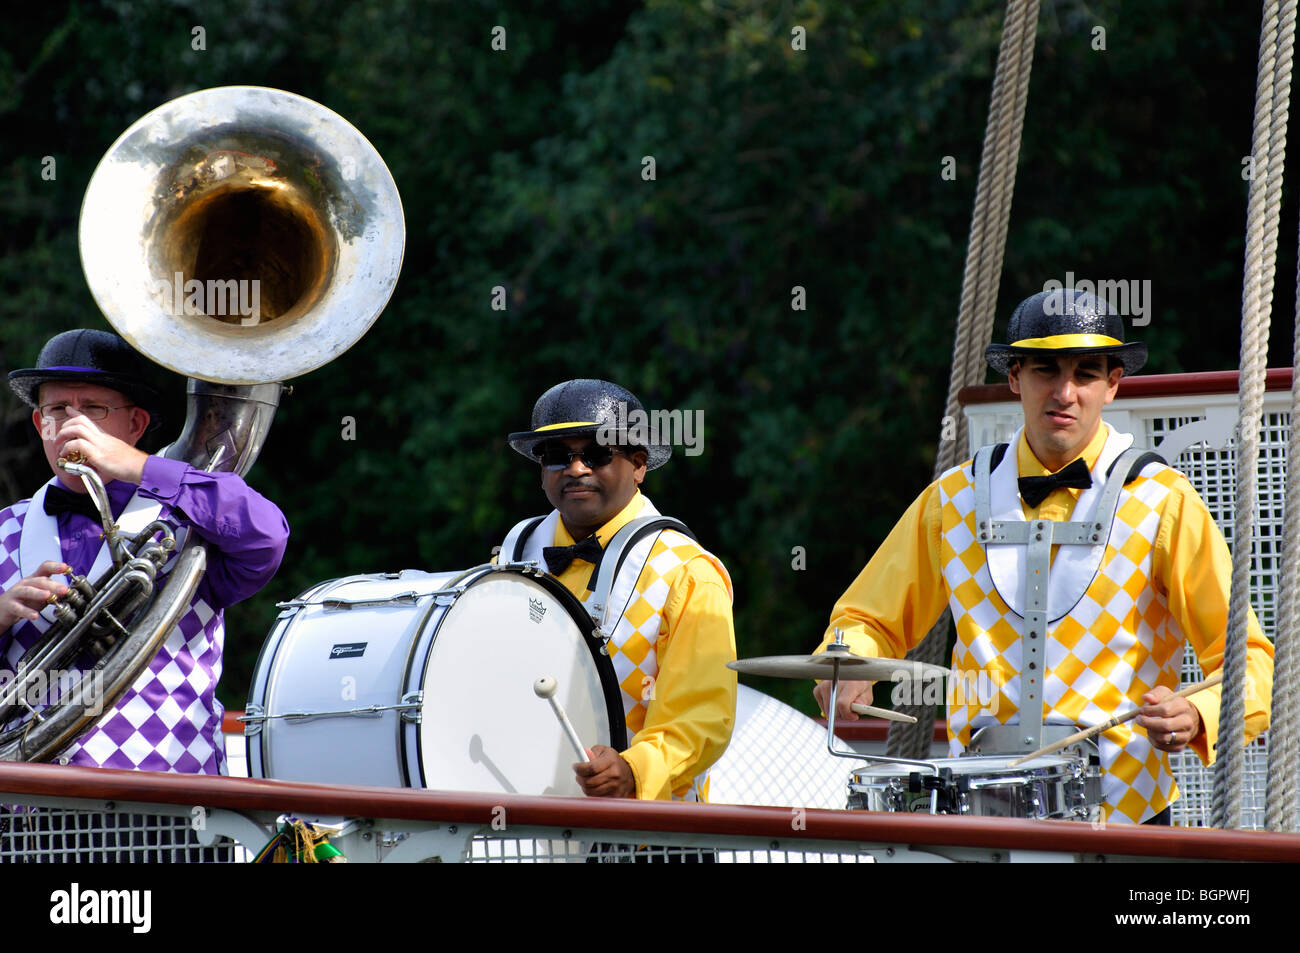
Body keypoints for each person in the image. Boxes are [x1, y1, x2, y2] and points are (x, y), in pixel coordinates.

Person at [813, 289, 1274, 824]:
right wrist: (845, 662)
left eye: (1086, 373)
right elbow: (865, 618)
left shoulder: (1164, 501)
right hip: (981, 813)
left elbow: (1249, 661)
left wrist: (1200, 711)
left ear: (1113, 384)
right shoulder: (951, 499)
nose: (1065, 391)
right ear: (1013, 378)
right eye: (1044, 370)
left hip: (1125, 818)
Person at [0, 328, 288, 773]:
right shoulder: (4, 528)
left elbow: (267, 536)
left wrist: (138, 466)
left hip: (165, 795)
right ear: (40, 425)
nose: (73, 425)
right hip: (30, 805)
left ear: (134, 427)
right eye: (58, 409)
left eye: (94, 409)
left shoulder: (189, 521)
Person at [498, 379, 736, 800]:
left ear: (639, 465)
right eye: (557, 456)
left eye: (596, 453)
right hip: (526, 824)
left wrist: (633, 770)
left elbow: (703, 716)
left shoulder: (688, 572)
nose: (575, 469)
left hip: (653, 841)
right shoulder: (513, 553)